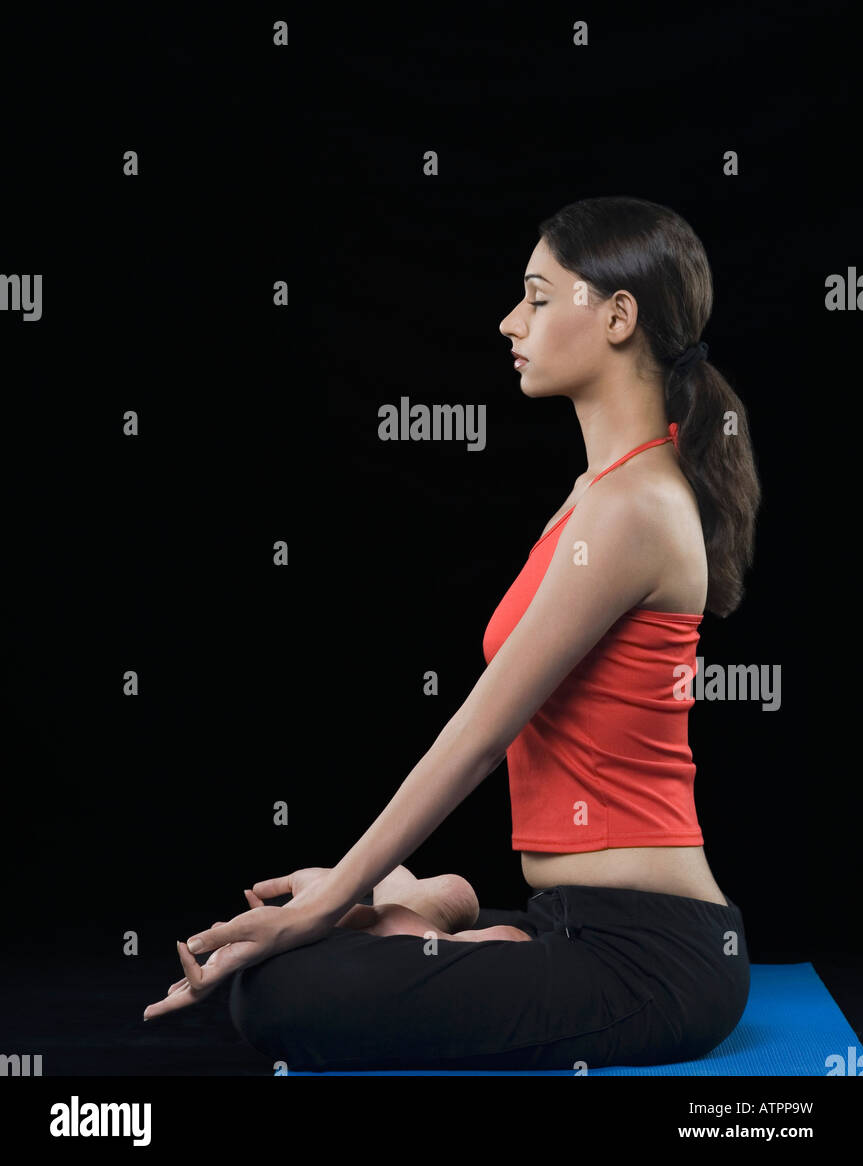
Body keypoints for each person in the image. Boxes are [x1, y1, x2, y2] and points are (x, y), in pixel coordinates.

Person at [143, 196, 761, 1072]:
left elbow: (477, 734)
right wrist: (346, 891)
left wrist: (330, 900)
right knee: (282, 971)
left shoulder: (635, 507)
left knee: (280, 991)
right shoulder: (596, 493)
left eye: (539, 297)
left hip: (652, 956)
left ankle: (438, 908)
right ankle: (451, 911)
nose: (512, 322)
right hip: (568, 918)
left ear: (618, 316)